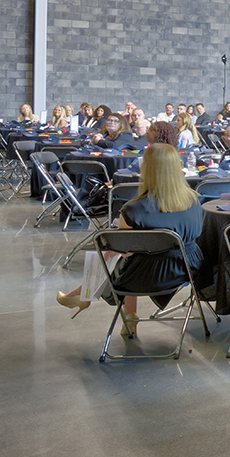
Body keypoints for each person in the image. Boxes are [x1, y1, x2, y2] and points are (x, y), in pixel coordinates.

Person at [55, 143, 202, 337]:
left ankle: (89, 296)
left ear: (147, 170)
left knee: (115, 254)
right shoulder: (194, 200)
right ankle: (96, 300)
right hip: (187, 269)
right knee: (131, 256)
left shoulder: (133, 209)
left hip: (145, 275)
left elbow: (125, 251)